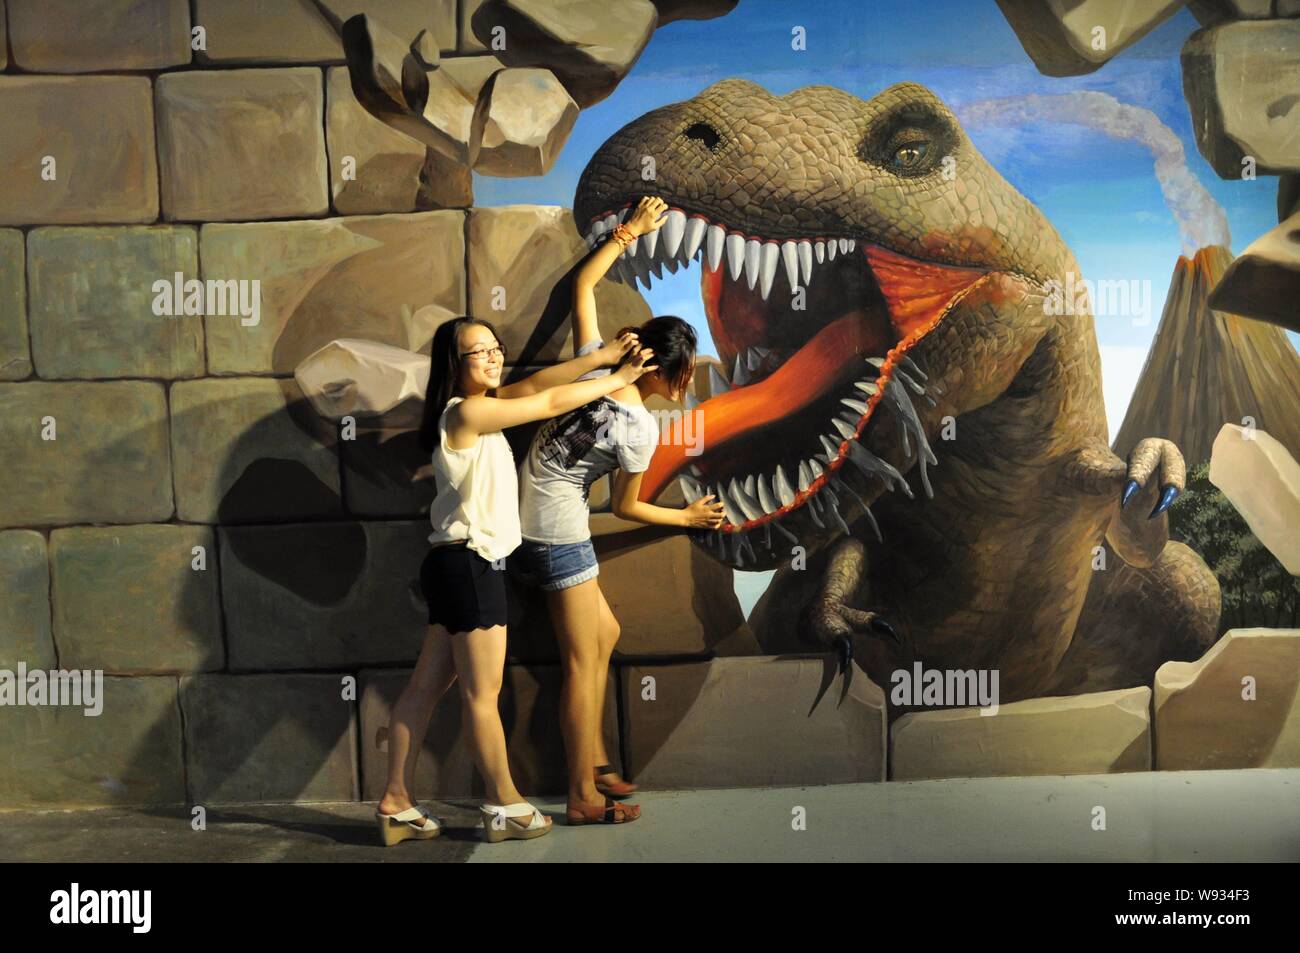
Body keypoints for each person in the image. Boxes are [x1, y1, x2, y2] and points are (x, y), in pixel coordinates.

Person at [374, 315, 655, 846]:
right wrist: (621, 378)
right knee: (482, 696)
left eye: (495, 347)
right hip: (472, 564)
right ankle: (503, 803)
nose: (493, 356)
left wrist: (599, 359)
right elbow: (548, 404)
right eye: (478, 352)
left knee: (424, 690)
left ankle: (396, 803)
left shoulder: (482, 410)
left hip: (452, 565)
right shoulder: (471, 412)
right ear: (455, 365)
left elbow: (537, 388)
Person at [516, 196, 727, 826]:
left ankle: (599, 761)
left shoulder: (597, 362)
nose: (687, 383)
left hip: (532, 514)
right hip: (556, 533)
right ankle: (581, 791)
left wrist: (629, 233)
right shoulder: (639, 430)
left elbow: (582, 283)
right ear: (667, 371)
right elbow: (629, 506)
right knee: (582, 662)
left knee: (604, 635)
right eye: (685, 372)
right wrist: (687, 520)